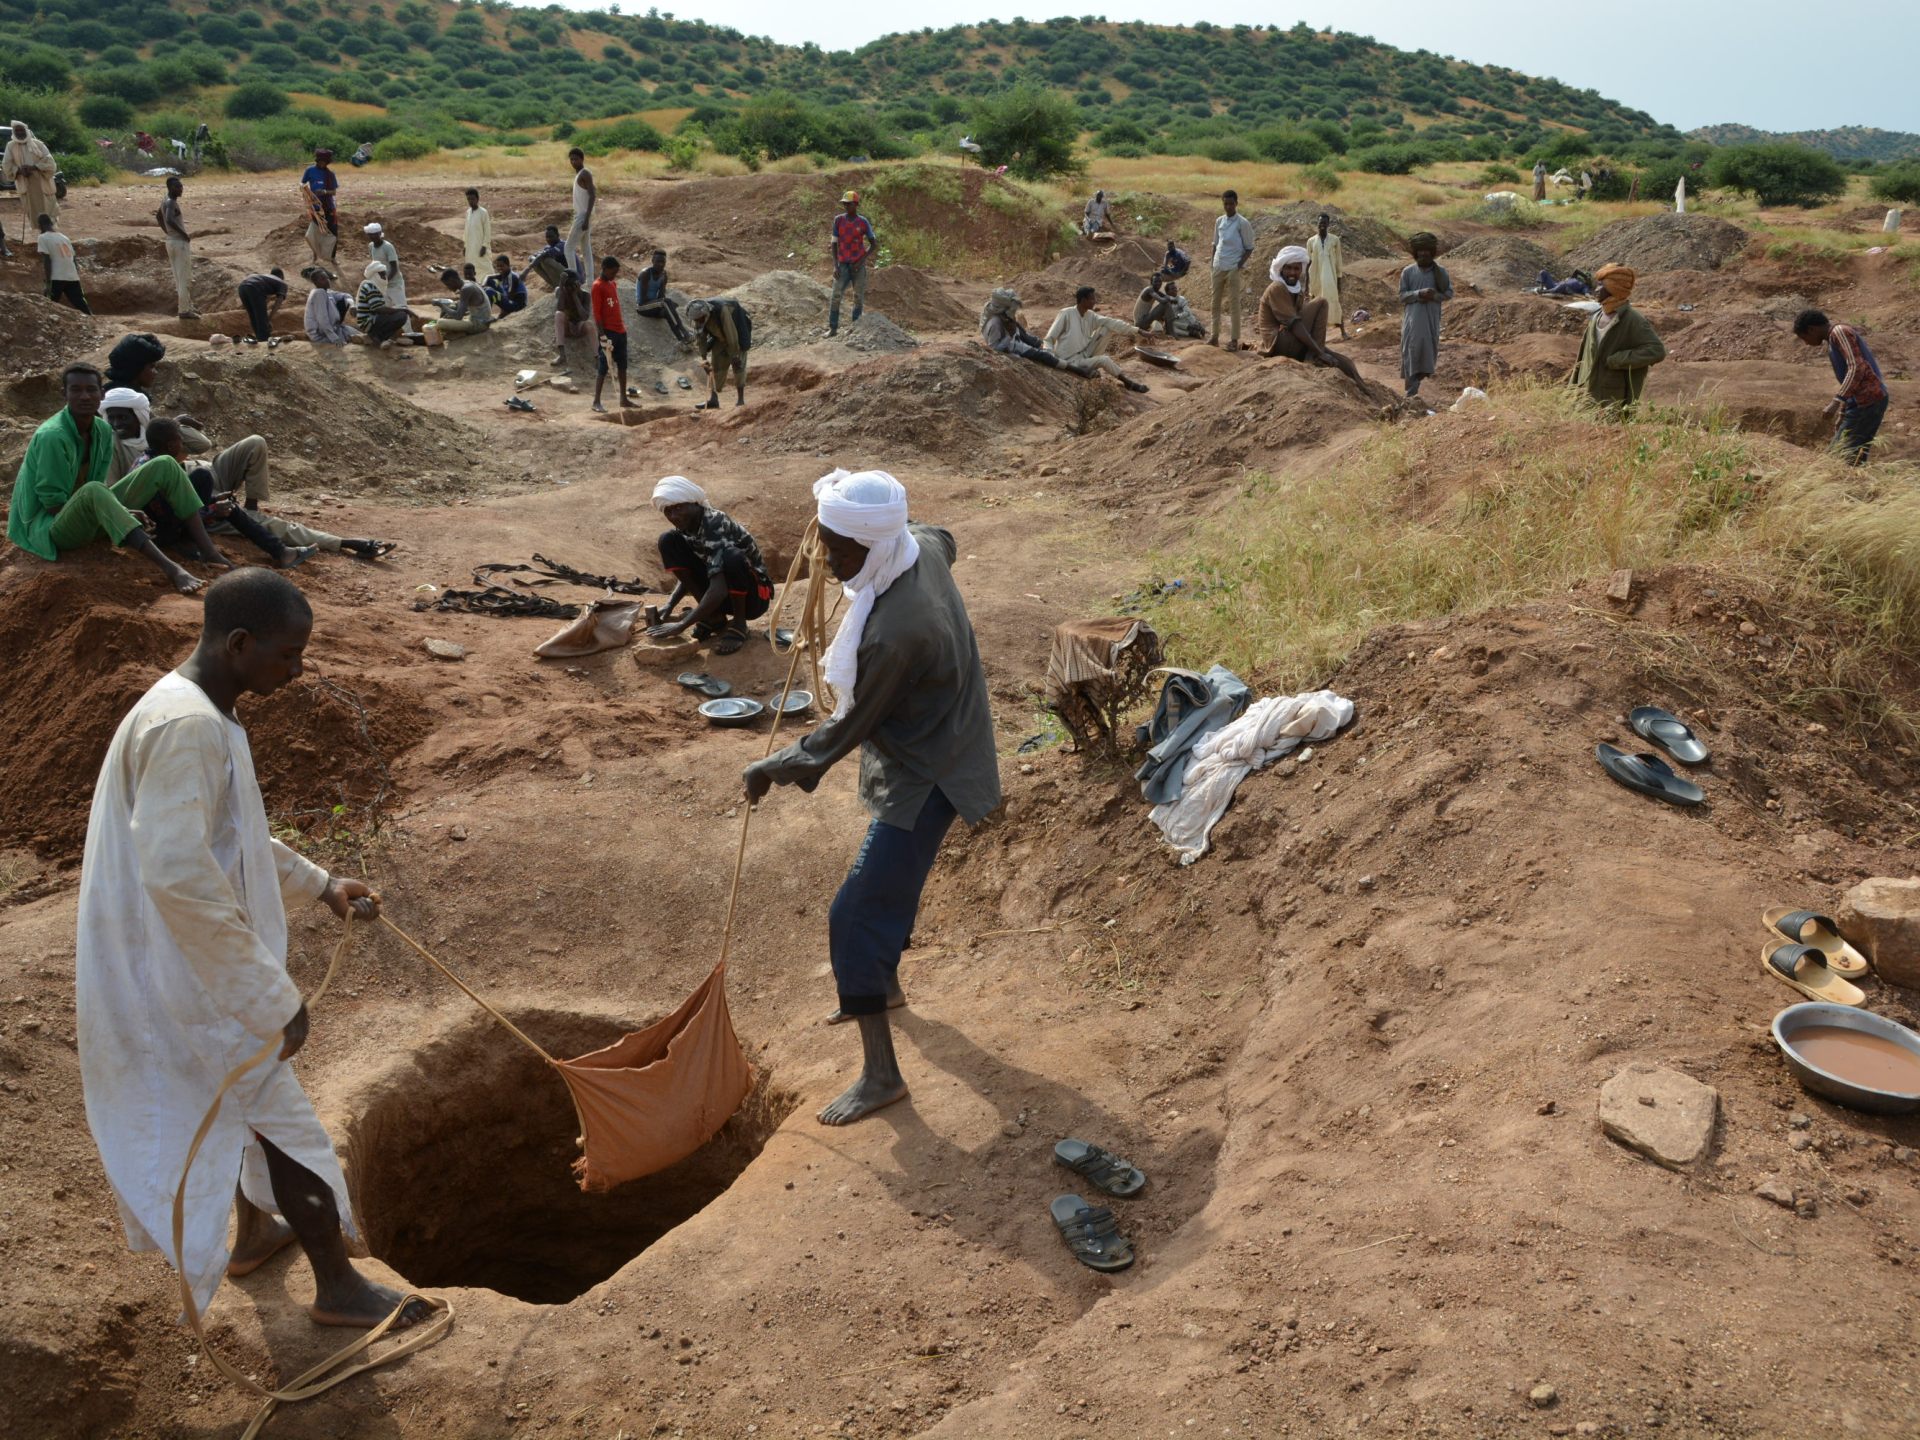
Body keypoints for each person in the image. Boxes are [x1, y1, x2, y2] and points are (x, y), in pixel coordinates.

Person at [78, 569, 439, 1336]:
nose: (298, 670)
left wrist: (322, 883)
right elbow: (179, 874)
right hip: (188, 973)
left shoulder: (201, 711)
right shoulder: (190, 728)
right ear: (239, 645)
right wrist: (269, 997)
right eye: (288, 654)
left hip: (183, 965)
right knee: (284, 1122)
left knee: (237, 1103)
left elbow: (230, 838)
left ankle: (253, 1235)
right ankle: (339, 1286)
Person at [743, 470, 1001, 1126]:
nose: (825, 560)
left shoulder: (897, 634)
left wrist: (773, 765)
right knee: (889, 889)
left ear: (872, 542)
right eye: (825, 542)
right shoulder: (915, 545)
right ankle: (880, 986)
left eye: (837, 548)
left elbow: (842, 732)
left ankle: (881, 1075)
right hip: (942, 734)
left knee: (853, 916)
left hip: (931, 770)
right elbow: (945, 535)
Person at [7, 364, 216, 594]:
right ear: (64, 394)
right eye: (75, 390)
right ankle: (172, 569)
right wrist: (118, 511)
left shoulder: (102, 431)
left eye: (91, 390)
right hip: (50, 527)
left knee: (165, 463)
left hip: (88, 515)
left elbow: (100, 486)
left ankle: (209, 550)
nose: (84, 396)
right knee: (94, 490)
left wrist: (116, 510)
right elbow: (53, 505)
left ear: (101, 394)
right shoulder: (52, 436)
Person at [644, 476, 773, 655]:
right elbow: (693, 572)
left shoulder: (714, 523)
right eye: (668, 511)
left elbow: (719, 587)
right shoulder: (687, 528)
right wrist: (670, 605)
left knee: (732, 557)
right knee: (668, 540)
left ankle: (739, 624)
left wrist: (682, 624)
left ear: (695, 503)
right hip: (723, 595)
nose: (674, 516)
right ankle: (713, 618)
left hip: (754, 598)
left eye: (679, 508)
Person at [1792, 309, 1889, 465]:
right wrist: (1843, 412)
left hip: (1867, 401)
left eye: (1804, 337)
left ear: (1811, 329)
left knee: (1838, 457)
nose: (1806, 343)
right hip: (1862, 403)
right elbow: (1850, 379)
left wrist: (1836, 401)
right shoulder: (1833, 340)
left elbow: (1856, 367)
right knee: (1853, 457)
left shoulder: (1839, 332)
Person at [1569, 264, 1665, 413]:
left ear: (1613, 289)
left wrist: (1618, 360)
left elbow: (1656, 350)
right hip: (1584, 397)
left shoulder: (1633, 320)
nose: (1596, 290)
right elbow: (1582, 358)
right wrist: (1572, 390)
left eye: (1601, 285)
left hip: (1612, 400)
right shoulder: (1596, 316)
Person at [1258, 246, 1362, 384]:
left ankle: (1368, 392)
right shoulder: (1277, 287)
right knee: (1321, 302)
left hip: (1291, 341)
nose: (1292, 272)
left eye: (1296, 269)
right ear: (1281, 268)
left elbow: (1303, 323)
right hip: (1278, 343)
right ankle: (1313, 358)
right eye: (1288, 268)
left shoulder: (1296, 290)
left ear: (1301, 270)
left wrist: (1322, 350)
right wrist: (1319, 352)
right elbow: (1295, 324)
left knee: (1345, 363)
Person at [1045, 286, 1150, 392]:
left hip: (1084, 355)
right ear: (1083, 300)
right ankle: (1129, 383)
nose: (1095, 301)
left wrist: (1139, 331)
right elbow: (1049, 338)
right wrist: (1050, 357)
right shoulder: (1066, 313)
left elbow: (1112, 322)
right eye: (1092, 299)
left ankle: (1092, 367)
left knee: (1107, 326)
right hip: (1069, 361)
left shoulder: (1090, 315)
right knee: (1104, 359)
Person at [1398, 233, 1452, 399]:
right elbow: (1402, 296)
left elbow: (1448, 293)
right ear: (1415, 253)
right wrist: (1419, 293)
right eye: (1420, 251)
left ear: (1431, 252)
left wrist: (1434, 295)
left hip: (1430, 321)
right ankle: (1411, 392)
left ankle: (1414, 389)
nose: (1423, 255)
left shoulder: (1440, 273)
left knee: (1426, 354)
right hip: (1412, 321)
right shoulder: (1408, 272)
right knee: (1411, 352)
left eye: (1426, 251)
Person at [1208, 190, 1257, 350]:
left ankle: (1234, 340)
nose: (1228, 207)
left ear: (1236, 203)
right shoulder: (1219, 221)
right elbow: (1215, 243)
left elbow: (1249, 248)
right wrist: (1212, 263)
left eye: (1231, 203)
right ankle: (1214, 336)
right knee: (1215, 303)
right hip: (1218, 265)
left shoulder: (1242, 223)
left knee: (1234, 304)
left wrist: (1238, 265)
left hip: (1233, 267)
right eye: (1225, 204)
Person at [687, 297, 751, 409]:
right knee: (716, 366)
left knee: (738, 365)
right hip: (720, 337)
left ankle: (740, 400)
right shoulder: (699, 317)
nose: (698, 322)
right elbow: (700, 338)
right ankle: (713, 400)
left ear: (706, 313)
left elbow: (731, 334)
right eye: (696, 320)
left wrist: (735, 355)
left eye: (700, 319)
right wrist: (704, 359)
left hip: (737, 334)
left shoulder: (722, 309)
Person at [827, 192, 875, 338]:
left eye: (849, 203)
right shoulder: (838, 220)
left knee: (858, 297)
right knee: (835, 295)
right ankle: (833, 328)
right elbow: (834, 243)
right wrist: (835, 265)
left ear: (856, 204)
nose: (846, 206)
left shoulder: (863, 222)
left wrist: (861, 261)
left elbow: (873, 244)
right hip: (842, 264)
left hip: (858, 266)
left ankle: (855, 328)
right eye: (844, 203)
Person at [4, 119, 58, 245]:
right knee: (34, 214)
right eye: (16, 130)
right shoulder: (10, 146)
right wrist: (19, 170)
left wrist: (34, 167)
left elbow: (50, 163)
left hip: (42, 183)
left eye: (21, 130)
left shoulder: (38, 144)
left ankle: (52, 239)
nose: (19, 132)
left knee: (49, 212)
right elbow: (6, 165)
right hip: (26, 185)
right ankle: (44, 239)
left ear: (26, 130)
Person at [979, 288, 1060, 368]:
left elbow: (1022, 333)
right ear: (1005, 308)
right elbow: (995, 349)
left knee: (1038, 343)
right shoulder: (995, 324)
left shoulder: (1005, 318)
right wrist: (1009, 337)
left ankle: (1050, 351)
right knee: (1044, 356)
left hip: (1015, 340)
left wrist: (1037, 342)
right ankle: (1068, 366)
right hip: (1012, 346)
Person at [158, 176, 198, 320]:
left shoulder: (165, 200)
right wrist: (183, 234)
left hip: (170, 241)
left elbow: (158, 216)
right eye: (177, 187)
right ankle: (184, 310)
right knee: (184, 278)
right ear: (170, 188)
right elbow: (168, 219)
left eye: (181, 186)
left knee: (178, 277)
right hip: (179, 243)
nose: (180, 189)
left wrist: (167, 231)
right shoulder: (170, 202)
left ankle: (187, 306)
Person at [590, 256, 626, 413]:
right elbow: (597, 314)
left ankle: (623, 399)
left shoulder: (613, 284)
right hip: (608, 332)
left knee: (623, 366)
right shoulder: (597, 286)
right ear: (604, 268)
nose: (614, 275)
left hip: (620, 331)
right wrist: (602, 336)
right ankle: (596, 401)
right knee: (604, 367)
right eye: (613, 272)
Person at [36, 213, 89, 313]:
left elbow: (47, 260)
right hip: (72, 276)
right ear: (51, 223)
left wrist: (48, 282)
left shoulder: (42, 237)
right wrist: (75, 273)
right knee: (81, 304)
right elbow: (73, 258)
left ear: (40, 225)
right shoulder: (64, 237)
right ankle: (93, 322)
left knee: (47, 305)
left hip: (57, 277)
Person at [1306, 213, 1347, 340]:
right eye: (1320, 223)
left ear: (1328, 224)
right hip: (1316, 278)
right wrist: (1306, 284)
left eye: (1324, 223)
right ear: (1317, 224)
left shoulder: (1335, 240)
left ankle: (1343, 331)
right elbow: (1308, 262)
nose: (1322, 225)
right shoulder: (1311, 241)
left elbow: (1339, 261)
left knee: (1334, 302)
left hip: (1330, 278)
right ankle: (1314, 335)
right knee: (1315, 306)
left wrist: (1339, 281)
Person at [633, 249, 688, 343]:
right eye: (658, 261)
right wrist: (661, 303)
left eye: (663, 262)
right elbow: (642, 300)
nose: (661, 264)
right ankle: (684, 331)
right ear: (652, 261)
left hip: (654, 306)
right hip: (643, 307)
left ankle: (682, 340)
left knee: (668, 310)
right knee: (667, 302)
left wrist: (665, 305)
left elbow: (661, 295)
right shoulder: (645, 274)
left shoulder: (663, 275)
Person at [353, 261, 410, 348]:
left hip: (372, 319)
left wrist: (400, 308)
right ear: (375, 275)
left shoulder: (374, 286)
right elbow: (379, 309)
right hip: (368, 321)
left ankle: (378, 337)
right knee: (401, 315)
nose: (385, 277)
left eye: (384, 274)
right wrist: (401, 309)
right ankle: (377, 338)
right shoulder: (370, 286)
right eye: (382, 275)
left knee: (400, 312)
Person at [363, 222, 409, 327]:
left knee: (402, 308)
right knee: (386, 310)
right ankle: (390, 334)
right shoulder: (371, 246)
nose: (372, 236)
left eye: (374, 234)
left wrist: (386, 280)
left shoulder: (388, 247)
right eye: (370, 234)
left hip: (394, 283)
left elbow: (394, 267)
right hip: (381, 284)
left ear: (380, 233)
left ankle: (409, 333)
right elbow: (375, 264)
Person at [428, 266, 493, 339]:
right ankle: (458, 331)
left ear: (452, 280)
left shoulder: (466, 289)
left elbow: (458, 316)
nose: (448, 288)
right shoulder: (468, 283)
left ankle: (460, 333)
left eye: (448, 285)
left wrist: (441, 305)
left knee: (440, 323)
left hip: (479, 325)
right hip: (482, 320)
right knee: (452, 307)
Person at [301, 265, 356, 345]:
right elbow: (322, 319)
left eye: (327, 278)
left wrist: (352, 306)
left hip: (335, 328)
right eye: (323, 279)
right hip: (321, 335)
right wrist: (335, 338)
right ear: (316, 282)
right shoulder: (318, 293)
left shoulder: (328, 292)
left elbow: (346, 296)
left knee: (357, 334)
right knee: (349, 342)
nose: (327, 281)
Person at [301, 148, 339, 263]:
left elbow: (334, 191)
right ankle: (315, 255)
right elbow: (302, 184)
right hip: (316, 209)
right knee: (316, 232)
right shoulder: (310, 171)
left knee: (333, 232)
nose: (322, 163)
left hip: (329, 207)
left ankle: (332, 257)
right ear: (317, 160)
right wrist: (308, 194)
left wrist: (324, 192)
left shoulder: (330, 175)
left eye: (325, 162)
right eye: (320, 161)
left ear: (327, 162)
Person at [566, 148, 595, 284]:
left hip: (583, 215)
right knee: (585, 248)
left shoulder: (585, 174)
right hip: (582, 215)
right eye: (571, 159)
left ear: (582, 159)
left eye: (576, 159)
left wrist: (587, 218)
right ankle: (589, 281)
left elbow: (593, 195)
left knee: (568, 248)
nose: (573, 162)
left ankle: (573, 279)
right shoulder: (579, 175)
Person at [553, 265, 591, 366]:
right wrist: (561, 288)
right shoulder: (561, 291)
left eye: (571, 285)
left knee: (591, 326)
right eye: (567, 286)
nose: (569, 289)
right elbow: (560, 308)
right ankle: (561, 354)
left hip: (579, 328)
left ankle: (596, 357)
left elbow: (584, 317)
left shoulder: (585, 295)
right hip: (567, 327)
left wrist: (575, 296)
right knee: (558, 315)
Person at [236, 269, 288, 344]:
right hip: (254, 287)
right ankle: (264, 342)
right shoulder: (282, 283)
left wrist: (265, 317)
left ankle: (259, 339)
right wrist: (268, 319)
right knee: (261, 318)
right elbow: (278, 303)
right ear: (282, 276)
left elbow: (265, 300)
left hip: (242, 287)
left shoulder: (266, 278)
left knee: (253, 316)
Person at [1133, 270, 1178, 335]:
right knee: (1165, 305)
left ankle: (1169, 330)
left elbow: (1171, 300)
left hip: (1144, 320)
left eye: (1160, 281)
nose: (1158, 283)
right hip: (1140, 323)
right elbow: (1162, 300)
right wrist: (1169, 298)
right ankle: (1170, 331)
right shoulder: (1149, 290)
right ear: (1151, 282)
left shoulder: (1155, 291)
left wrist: (1171, 299)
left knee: (1167, 305)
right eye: (1156, 281)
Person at [462, 187, 492, 273]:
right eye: (469, 199)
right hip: (470, 247)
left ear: (477, 199)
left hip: (480, 246)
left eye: (473, 199)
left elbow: (487, 231)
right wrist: (465, 246)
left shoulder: (483, 212)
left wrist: (484, 246)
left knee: (485, 266)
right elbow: (466, 230)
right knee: (471, 267)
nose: (471, 201)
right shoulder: (468, 212)